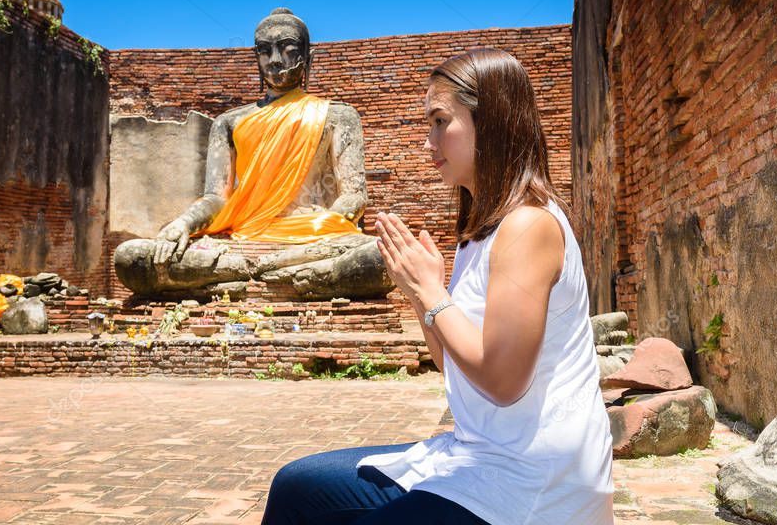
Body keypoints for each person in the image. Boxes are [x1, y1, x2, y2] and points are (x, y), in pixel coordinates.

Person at [260, 48, 614, 524]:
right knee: (296, 486)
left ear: (490, 122)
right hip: (474, 454)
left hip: (534, 479)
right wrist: (417, 293)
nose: (428, 141)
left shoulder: (529, 227)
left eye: (440, 121)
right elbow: (456, 365)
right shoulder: (482, 231)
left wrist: (431, 291)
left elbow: (503, 383)